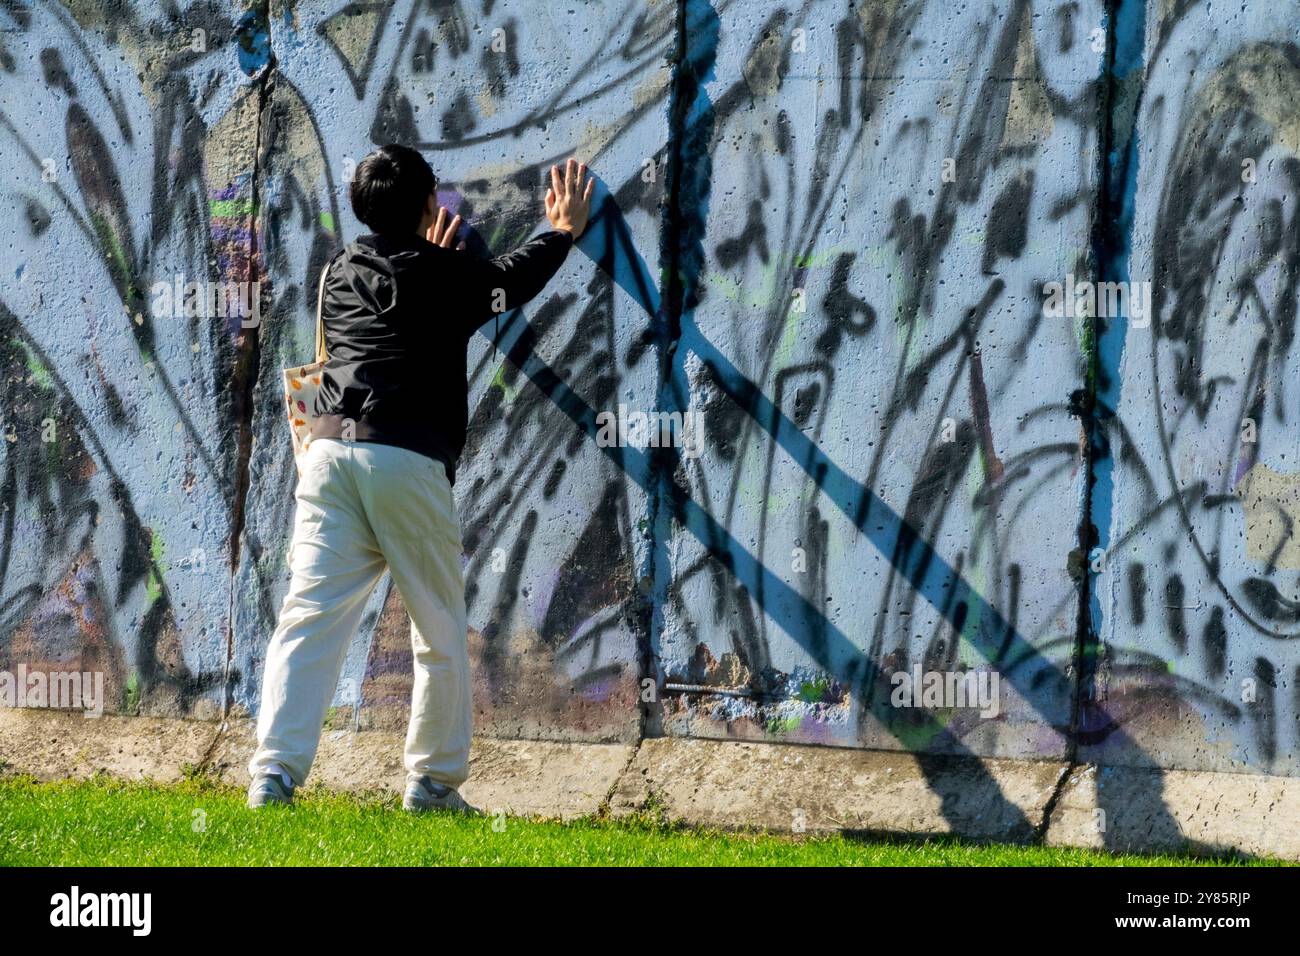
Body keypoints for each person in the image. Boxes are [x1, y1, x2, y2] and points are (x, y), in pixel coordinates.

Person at [247, 144, 594, 812]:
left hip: (326, 455)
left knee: (307, 622)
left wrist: (436, 261)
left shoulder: (338, 270)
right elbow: (508, 283)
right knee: (437, 628)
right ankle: (432, 783)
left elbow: (322, 365)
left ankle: (273, 777)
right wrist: (561, 229)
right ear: (428, 204)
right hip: (404, 459)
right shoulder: (445, 276)